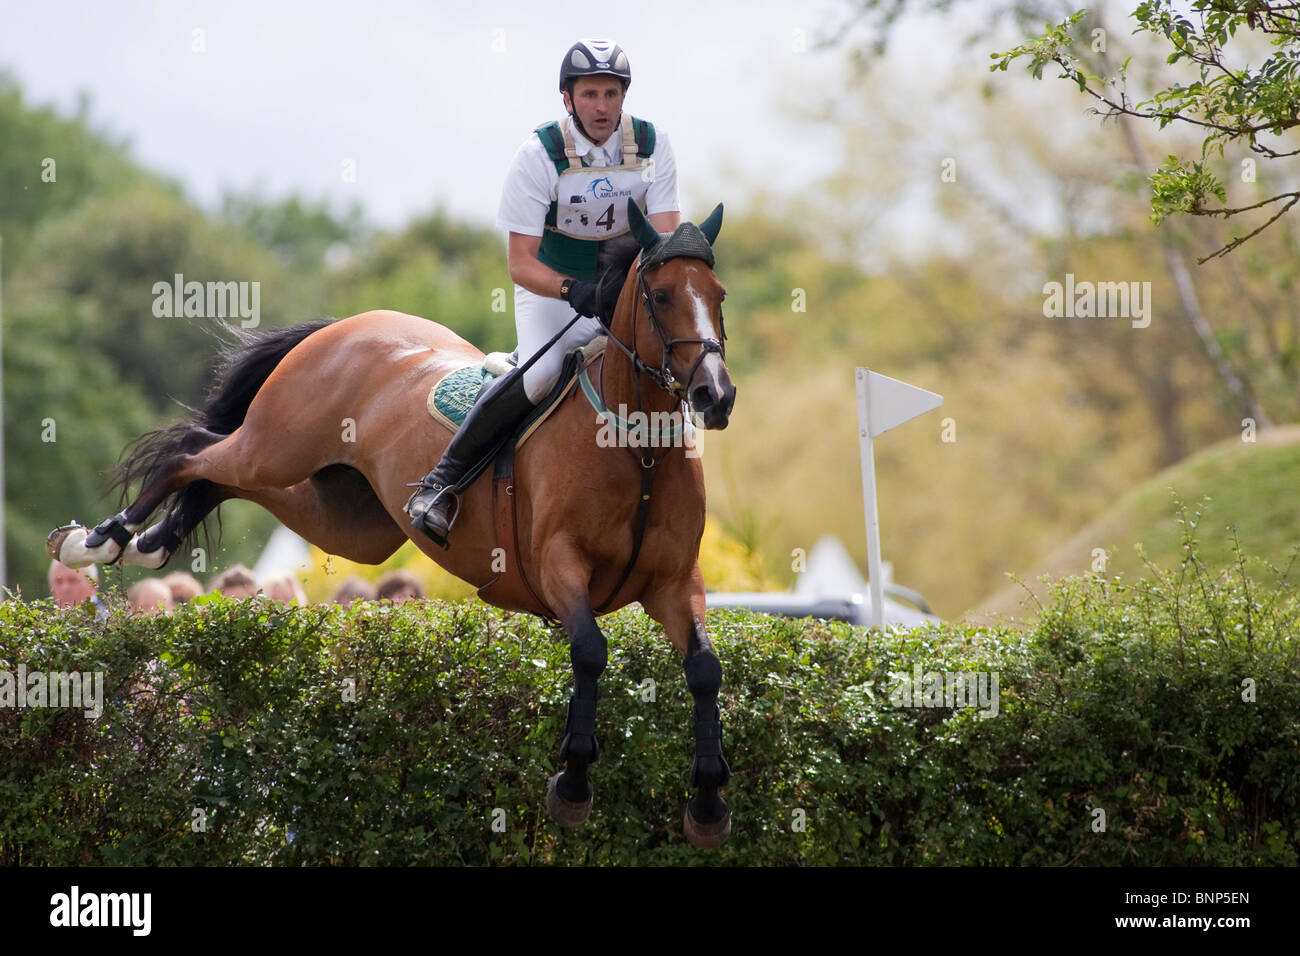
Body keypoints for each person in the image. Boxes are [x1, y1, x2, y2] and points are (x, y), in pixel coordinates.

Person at [405, 37, 681, 546]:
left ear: (624, 96)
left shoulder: (652, 143)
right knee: (542, 375)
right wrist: (572, 289)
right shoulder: (538, 154)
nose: (601, 106)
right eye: (590, 94)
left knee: (667, 365)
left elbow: (663, 241)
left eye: (611, 94)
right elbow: (519, 263)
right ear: (568, 98)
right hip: (554, 289)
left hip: (621, 291)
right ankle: (441, 484)